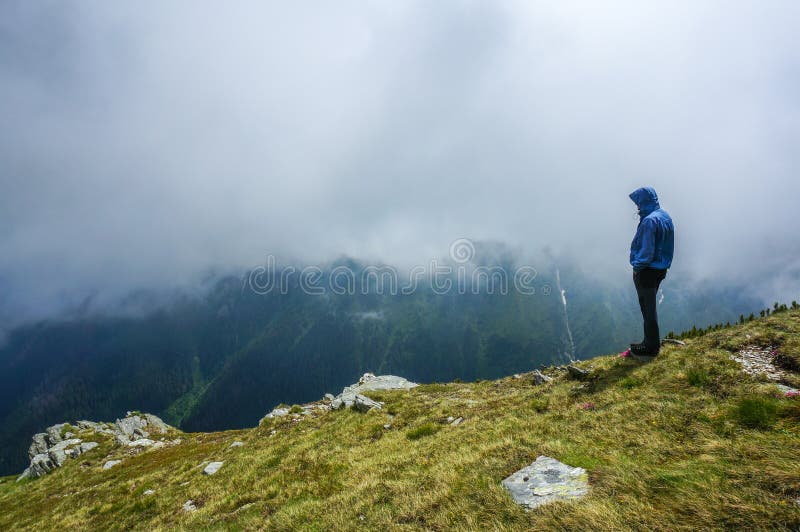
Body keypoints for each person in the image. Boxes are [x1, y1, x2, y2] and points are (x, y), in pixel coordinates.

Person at [628, 187, 674, 361]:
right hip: (660, 269)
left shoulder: (648, 221)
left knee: (648, 309)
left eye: (638, 203)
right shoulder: (664, 216)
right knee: (650, 307)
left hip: (647, 270)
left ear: (643, 201)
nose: (637, 207)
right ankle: (649, 342)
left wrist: (637, 267)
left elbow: (646, 251)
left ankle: (650, 346)